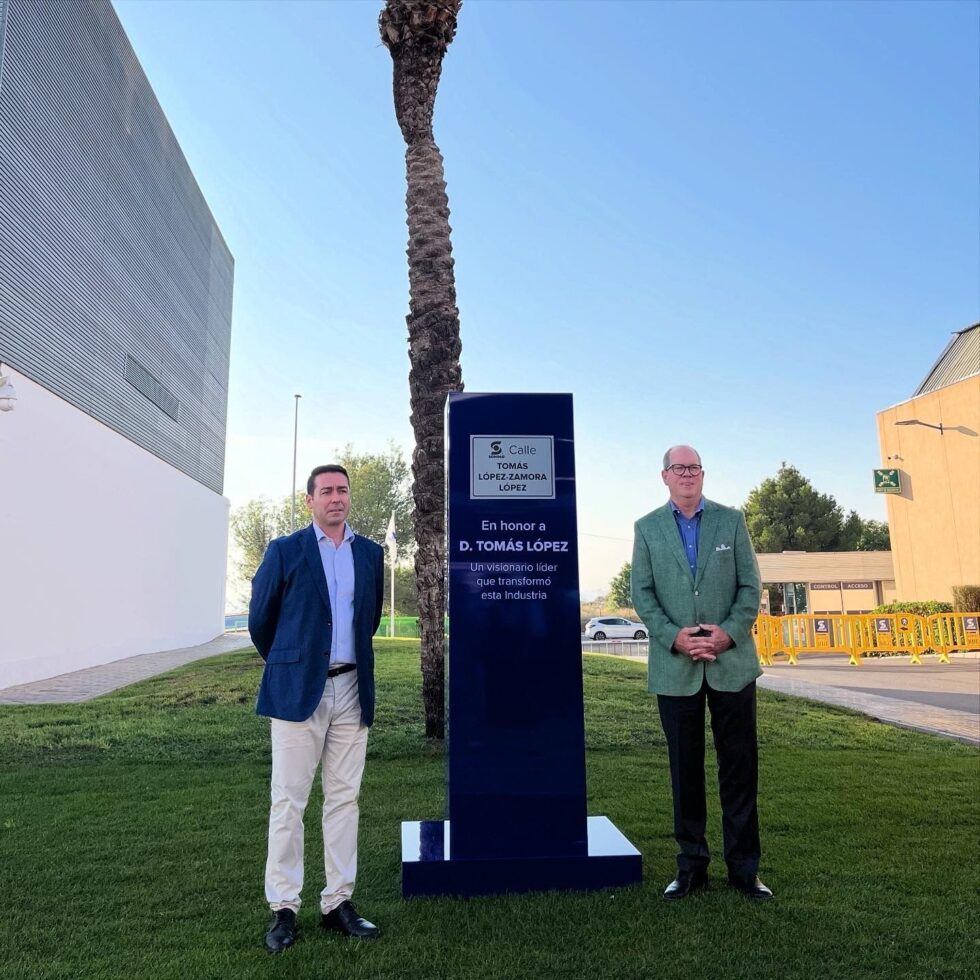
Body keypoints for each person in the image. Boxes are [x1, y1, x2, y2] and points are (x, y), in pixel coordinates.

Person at [249, 464, 385, 952]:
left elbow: (366, 621)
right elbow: (261, 621)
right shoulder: (285, 551)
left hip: (351, 690)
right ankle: (283, 908)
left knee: (344, 800)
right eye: (326, 490)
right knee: (289, 801)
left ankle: (337, 903)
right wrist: (293, 664)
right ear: (309, 500)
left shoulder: (371, 554)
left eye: (342, 490)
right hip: (297, 693)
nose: (336, 497)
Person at [631, 445, 772, 902]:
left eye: (693, 467)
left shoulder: (732, 521)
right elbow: (644, 595)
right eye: (679, 468)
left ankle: (744, 869)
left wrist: (728, 634)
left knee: (739, 769)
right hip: (676, 667)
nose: (687, 474)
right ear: (664, 476)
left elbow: (751, 586)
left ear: (703, 475)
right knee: (684, 771)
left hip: (732, 665)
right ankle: (690, 866)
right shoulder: (647, 528)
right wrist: (675, 637)